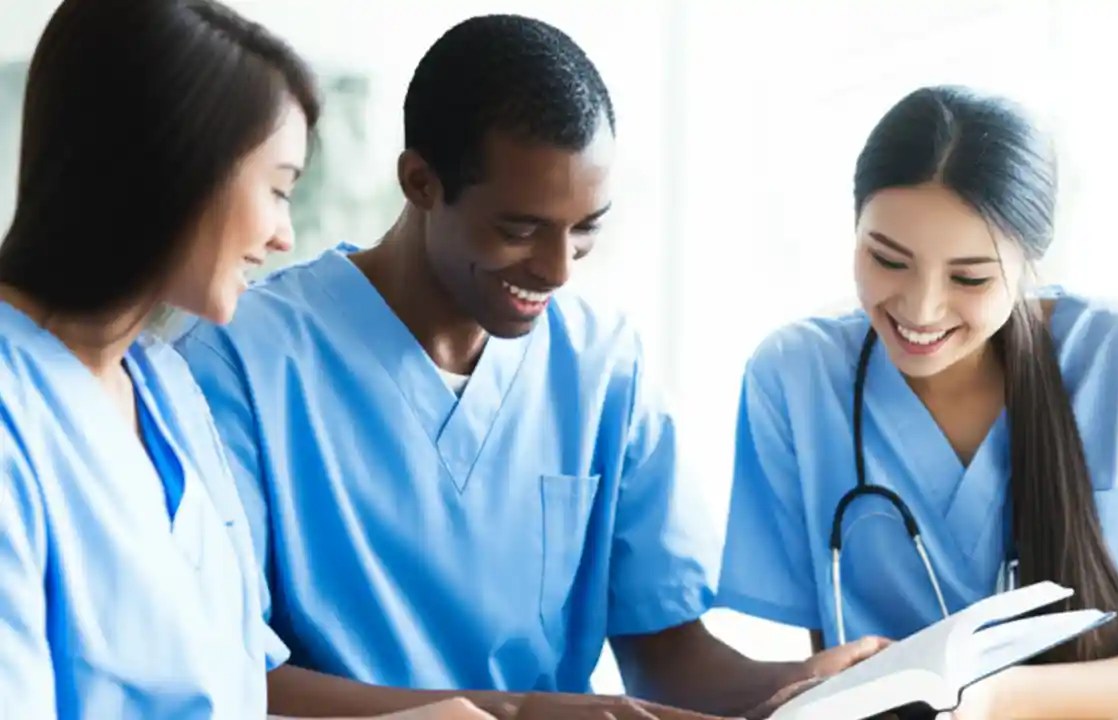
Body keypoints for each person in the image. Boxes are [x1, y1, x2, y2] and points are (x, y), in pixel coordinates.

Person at [175, 13, 885, 720]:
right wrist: (514, 713)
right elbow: (229, 678)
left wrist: (815, 687)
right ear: (421, 183)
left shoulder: (601, 367)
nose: (556, 269)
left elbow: (670, 661)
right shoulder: (239, 365)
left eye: (586, 229)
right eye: (519, 230)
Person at [717, 83, 1118, 719]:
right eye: (887, 259)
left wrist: (996, 699)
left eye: (970, 277)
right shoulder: (795, 377)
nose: (921, 309)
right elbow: (830, 655)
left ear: (1029, 262)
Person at [0, 1, 494, 718]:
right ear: (174, 164)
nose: (283, 236)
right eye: (278, 188)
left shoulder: (163, 387)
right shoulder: (15, 412)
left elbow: (232, 696)